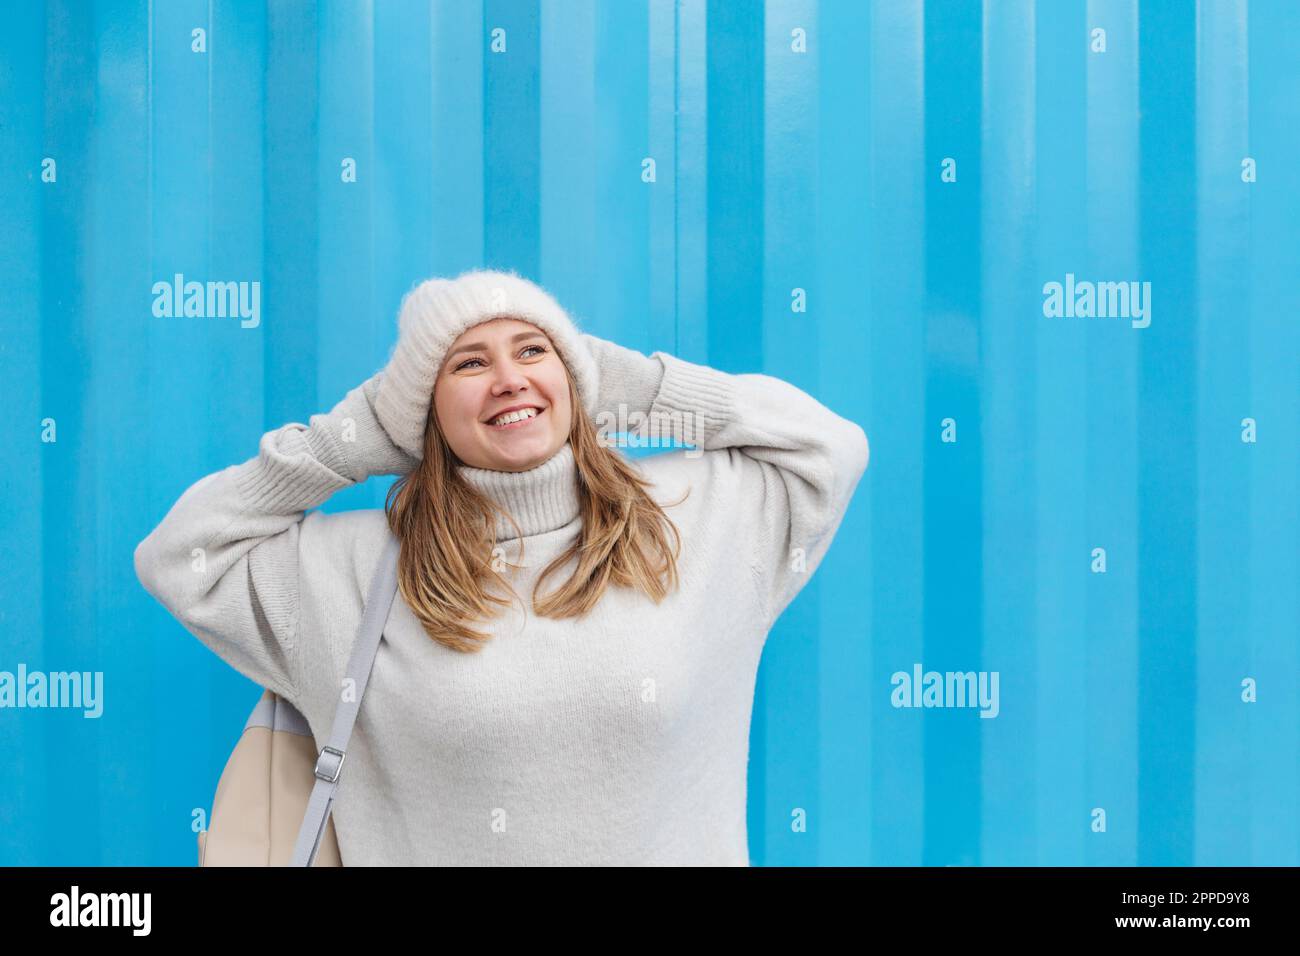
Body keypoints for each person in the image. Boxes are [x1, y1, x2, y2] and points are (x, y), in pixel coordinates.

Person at [134, 268, 869, 866]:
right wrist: (354, 437)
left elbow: (828, 447)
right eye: (469, 363)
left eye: (533, 351)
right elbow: (178, 555)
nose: (508, 378)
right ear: (420, 413)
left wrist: (630, 389)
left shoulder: (692, 519)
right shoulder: (347, 573)